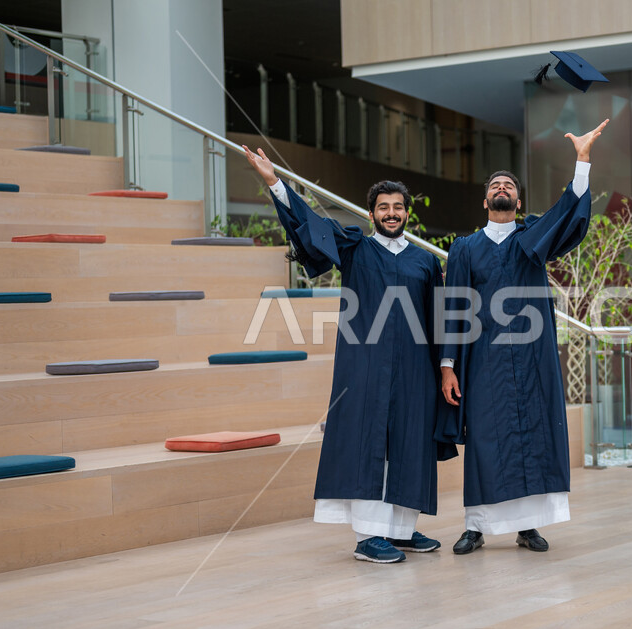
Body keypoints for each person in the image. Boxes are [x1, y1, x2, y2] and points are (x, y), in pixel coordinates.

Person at [243, 145, 453, 564]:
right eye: (382, 207)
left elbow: (440, 317)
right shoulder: (355, 248)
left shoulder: (425, 262)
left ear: (407, 213)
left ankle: (401, 530)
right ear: (371, 213)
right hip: (366, 364)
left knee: (409, 441)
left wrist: (445, 367)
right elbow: (312, 227)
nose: (391, 213)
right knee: (368, 439)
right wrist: (275, 183)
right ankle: (368, 537)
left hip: (415, 367)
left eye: (398, 207)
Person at [437, 120, 607, 554]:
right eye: (495, 184)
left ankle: (528, 526)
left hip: (532, 356)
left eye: (509, 185)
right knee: (485, 440)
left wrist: (582, 160)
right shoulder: (464, 248)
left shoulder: (534, 238)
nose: (502, 188)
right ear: (485, 199)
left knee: (534, 433)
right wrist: (448, 365)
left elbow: (568, 214)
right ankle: (476, 525)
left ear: (517, 200)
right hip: (483, 358)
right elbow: (453, 307)